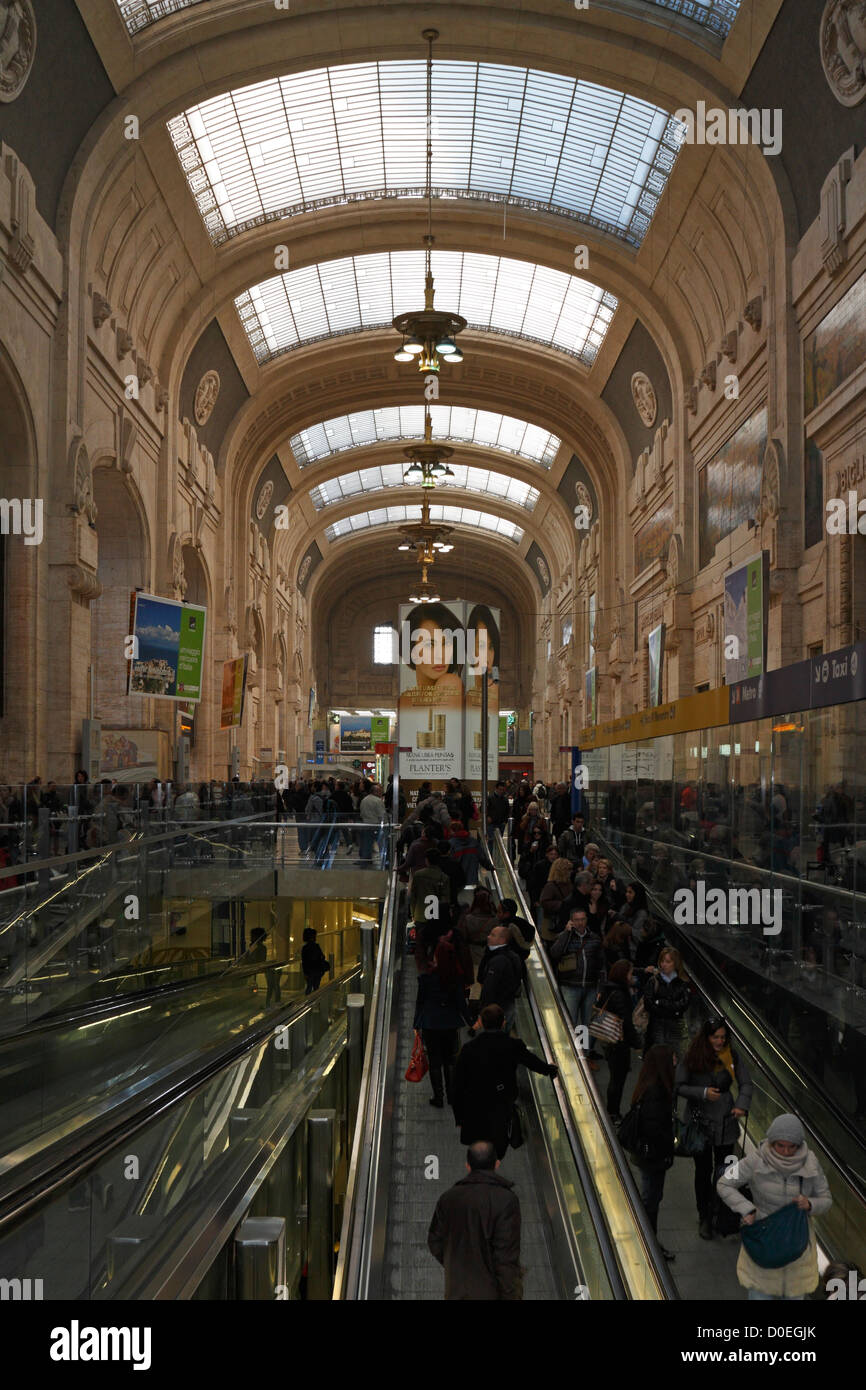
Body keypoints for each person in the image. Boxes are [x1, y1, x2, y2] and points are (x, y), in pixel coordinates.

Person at [716, 1112, 832, 1300]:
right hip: (764, 1244)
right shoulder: (754, 1160)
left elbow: (826, 1199)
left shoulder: (811, 1164)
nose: (786, 1152)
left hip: (797, 1249)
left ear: (799, 1144)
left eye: (791, 1147)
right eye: (780, 1146)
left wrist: (810, 1204)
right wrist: (747, 1208)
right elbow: (724, 1183)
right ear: (771, 1142)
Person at [676, 1017, 753, 1240]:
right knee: (702, 1171)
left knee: (724, 1171)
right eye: (715, 1037)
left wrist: (741, 1105)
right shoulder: (692, 1056)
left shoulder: (732, 1056)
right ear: (706, 1037)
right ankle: (705, 1216)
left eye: (723, 1037)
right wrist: (702, 1093)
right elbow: (679, 1086)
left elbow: (746, 1083)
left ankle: (719, 1213)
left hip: (725, 1123)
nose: (720, 1041)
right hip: (700, 1123)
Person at [451, 1004, 558, 1159]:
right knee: (498, 1144)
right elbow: (532, 1062)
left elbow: (457, 1085)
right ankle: (494, 1165)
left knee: (479, 1147)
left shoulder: (469, 1049)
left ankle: (481, 1169)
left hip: (476, 1105)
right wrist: (550, 1069)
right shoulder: (513, 1045)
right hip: (501, 1103)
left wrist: (459, 1116)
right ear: (503, 1023)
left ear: (481, 1022)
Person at [427, 1140, 523, 1300]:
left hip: (456, 1292)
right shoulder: (506, 1200)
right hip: (491, 1293)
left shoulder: (447, 1198)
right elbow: (506, 1258)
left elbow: (434, 1241)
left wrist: (455, 1263)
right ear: (496, 1164)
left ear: (468, 1166)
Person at [628, 1044, 677, 1260]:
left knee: (651, 1197)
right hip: (653, 1157)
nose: (675, 1061)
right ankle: (648, 1244)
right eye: (672, 1058)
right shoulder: (656, 1092)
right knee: (651, 1199)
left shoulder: (648, 1085)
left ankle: (648, 1240)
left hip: (648, 1156)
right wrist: (672, 1142)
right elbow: (655, 1130)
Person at [414, 946, 472, 1107]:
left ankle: (438, 1097)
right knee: (450, 1061)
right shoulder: (456, 978)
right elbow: (461, 1004)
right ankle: (452, 1097)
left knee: (434, 1062)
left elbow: (420, 1003)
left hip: (430, 1024)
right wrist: (471, 1021)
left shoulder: (426, 978)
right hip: (450, 1024)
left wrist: (416, 1024)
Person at [550, 908, 604, 1041]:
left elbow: (601, 964)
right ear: (571, 921)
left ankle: (584, 1054)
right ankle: (571, 1051)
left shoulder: (595, 938)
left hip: (590, 986)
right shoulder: (565, 937)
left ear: (586, 920)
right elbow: (554, 953)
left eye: (582, 919)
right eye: (577, 920)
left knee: (587, 1024)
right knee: (570, 1022)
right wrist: (566, 933)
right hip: (570, 985)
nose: (580, 923)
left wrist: (601, 987)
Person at [594, 959, 639, 1121]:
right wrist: (636, 1043)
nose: (631, 976)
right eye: (629, 973)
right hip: (618, 1042)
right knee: (618, 1079)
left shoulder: (609, 989)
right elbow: (626, 1021)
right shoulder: (620, 994)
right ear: (623, 975)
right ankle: (613, 1112)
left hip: (609, 1040)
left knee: (615, 1076)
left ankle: (612, 1111)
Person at [477, 924, 524, 1032]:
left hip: (495, 1012)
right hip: (508, 1006)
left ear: (502, 940)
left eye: (493, 935)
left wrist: (482, 1011)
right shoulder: (514, 956)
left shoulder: (498, 960)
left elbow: (489, 987)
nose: (488, 937)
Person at [642, 946, 690, 1051]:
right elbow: (648, 1004)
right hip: (656, 1026)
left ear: (675, 963)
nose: (664, 964)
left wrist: (661, 1002)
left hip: (675, 1028)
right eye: (662, 961)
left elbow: (683, 1004)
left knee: (674, 1056)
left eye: (668, 961)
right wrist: (671, 1009)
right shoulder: (654, 981)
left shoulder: (682, 982)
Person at [538, 855, 572, 947]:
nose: (570, 872)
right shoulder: (550, 886)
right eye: (568, 870)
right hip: (553, 923)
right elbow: (544, 902)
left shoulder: (569, 884)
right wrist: (562, 904)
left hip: (563, 921)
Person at [463, 887, 498, 972]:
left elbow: (463, 935)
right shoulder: (495, 920)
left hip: (471, 952)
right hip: (488, 952)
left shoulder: (467, 918)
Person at [301, 926, 329, 994]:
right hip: (318, 970)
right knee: (316, 987)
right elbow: (322, 956)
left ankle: (307, 1003)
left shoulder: (305, 948)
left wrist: (305, 972)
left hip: (309, 971)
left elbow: (304, 961)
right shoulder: (316, 946)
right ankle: (316, 1003)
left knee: (309, 987)